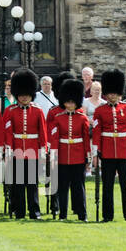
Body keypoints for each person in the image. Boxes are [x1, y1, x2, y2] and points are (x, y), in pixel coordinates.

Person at [92, 69, 126, 222]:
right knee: (107, 186)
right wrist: (95, 151)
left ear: (119, 93)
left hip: (124, 151)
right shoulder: (100, 110)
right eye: (110, 93)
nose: (112, 96)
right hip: (107, 152)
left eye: (114, 93)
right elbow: (97, 132)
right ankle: (107, 215)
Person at [3, 68, 46, 220]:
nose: (24, 98)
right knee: (18, 184)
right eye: (21, 95)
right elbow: (8, 130)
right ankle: (19, 211)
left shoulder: (38, 111)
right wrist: (8, 148)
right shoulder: (10, 110)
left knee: (32, 184)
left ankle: (35, 211)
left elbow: (42, 132)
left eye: (27, 95)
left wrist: (43, 149)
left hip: (33, 150)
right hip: (17, 151)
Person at [47, 77, 91, 221]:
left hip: (78, 156)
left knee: (79, 187)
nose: (70, 105)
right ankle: (63, 214)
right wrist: (53, 155)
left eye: (72, 102)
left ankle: (82, 213)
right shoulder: (58, 118)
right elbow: (54, 139)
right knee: (63, 187)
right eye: (67, 102)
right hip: (63, 156)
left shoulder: (82, 118)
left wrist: (87, 157)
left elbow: (85, 139)